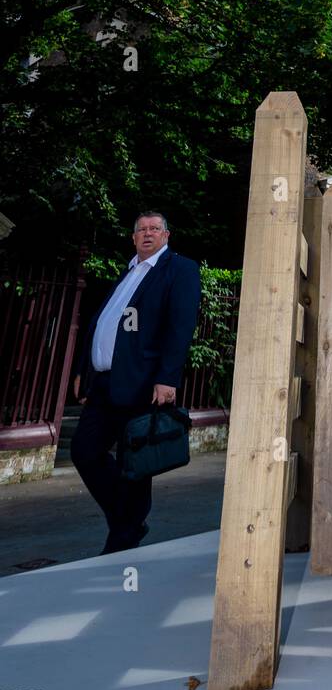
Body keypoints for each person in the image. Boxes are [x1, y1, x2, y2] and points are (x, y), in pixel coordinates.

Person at [70, 211, 201, 554]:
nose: (147, 233)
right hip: (104, 382)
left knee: (135, 463)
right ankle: (127, 521)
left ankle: (123, 537)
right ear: (133, 238)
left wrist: (167, 378)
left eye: (155, 228)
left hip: (143, 382)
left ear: (166, 236)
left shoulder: (180, 270)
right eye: (141, 229)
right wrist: (84, 370)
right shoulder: (128, 272)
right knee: (84, 451)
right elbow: (102, 324)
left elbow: (180, 327)